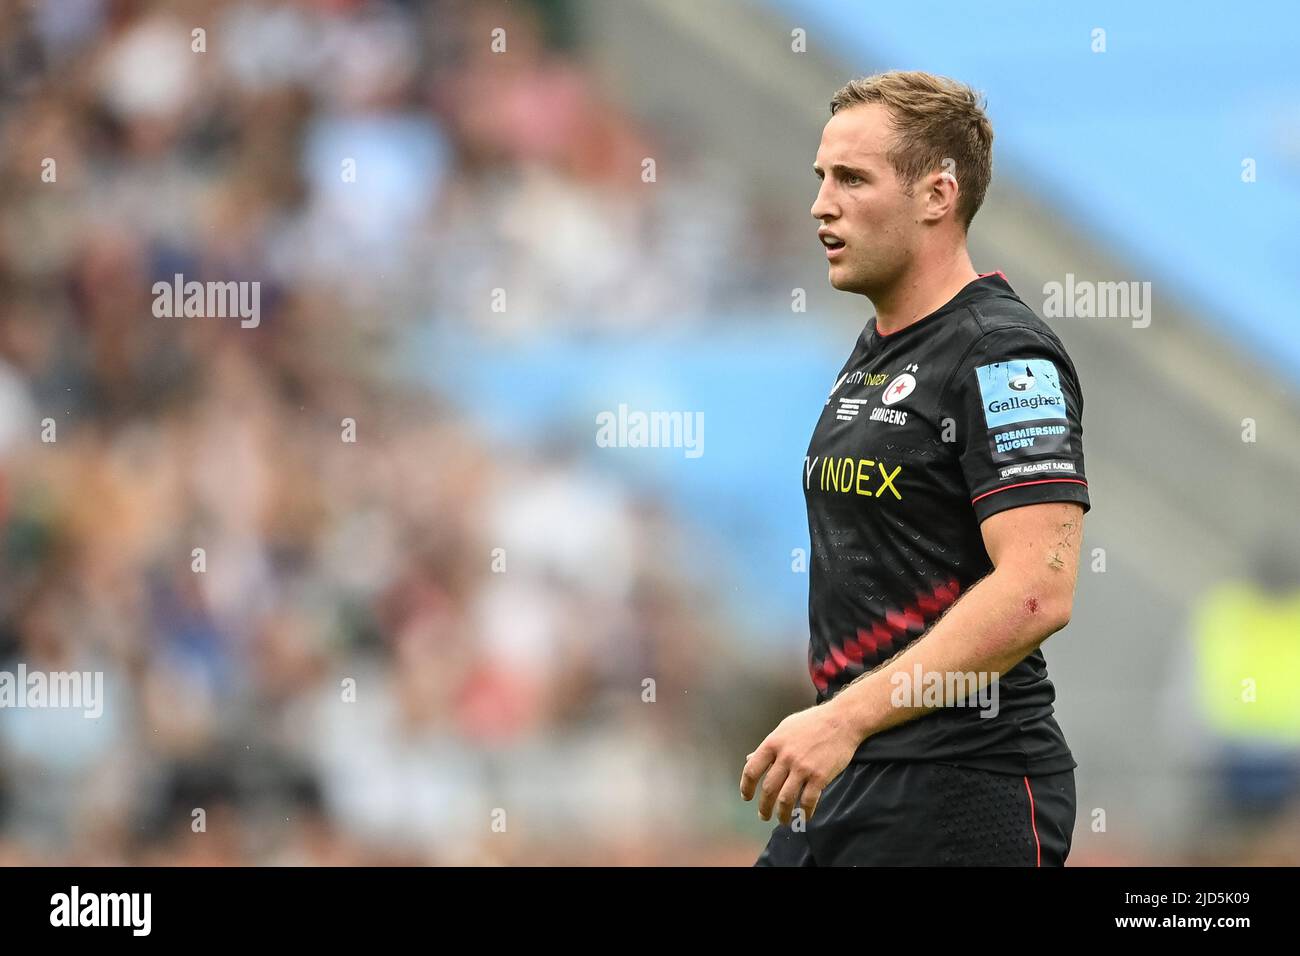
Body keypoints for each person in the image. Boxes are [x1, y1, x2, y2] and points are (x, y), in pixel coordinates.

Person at [741, 71, 1090, 866]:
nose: (820, 204)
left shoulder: (1006, 357)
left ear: (937, 195)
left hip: (965, 785)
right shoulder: (878, 348)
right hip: (850, 773)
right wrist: (842, 723)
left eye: (851, 179)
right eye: (821, 178)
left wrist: (845, 717)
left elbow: (1038, 589)